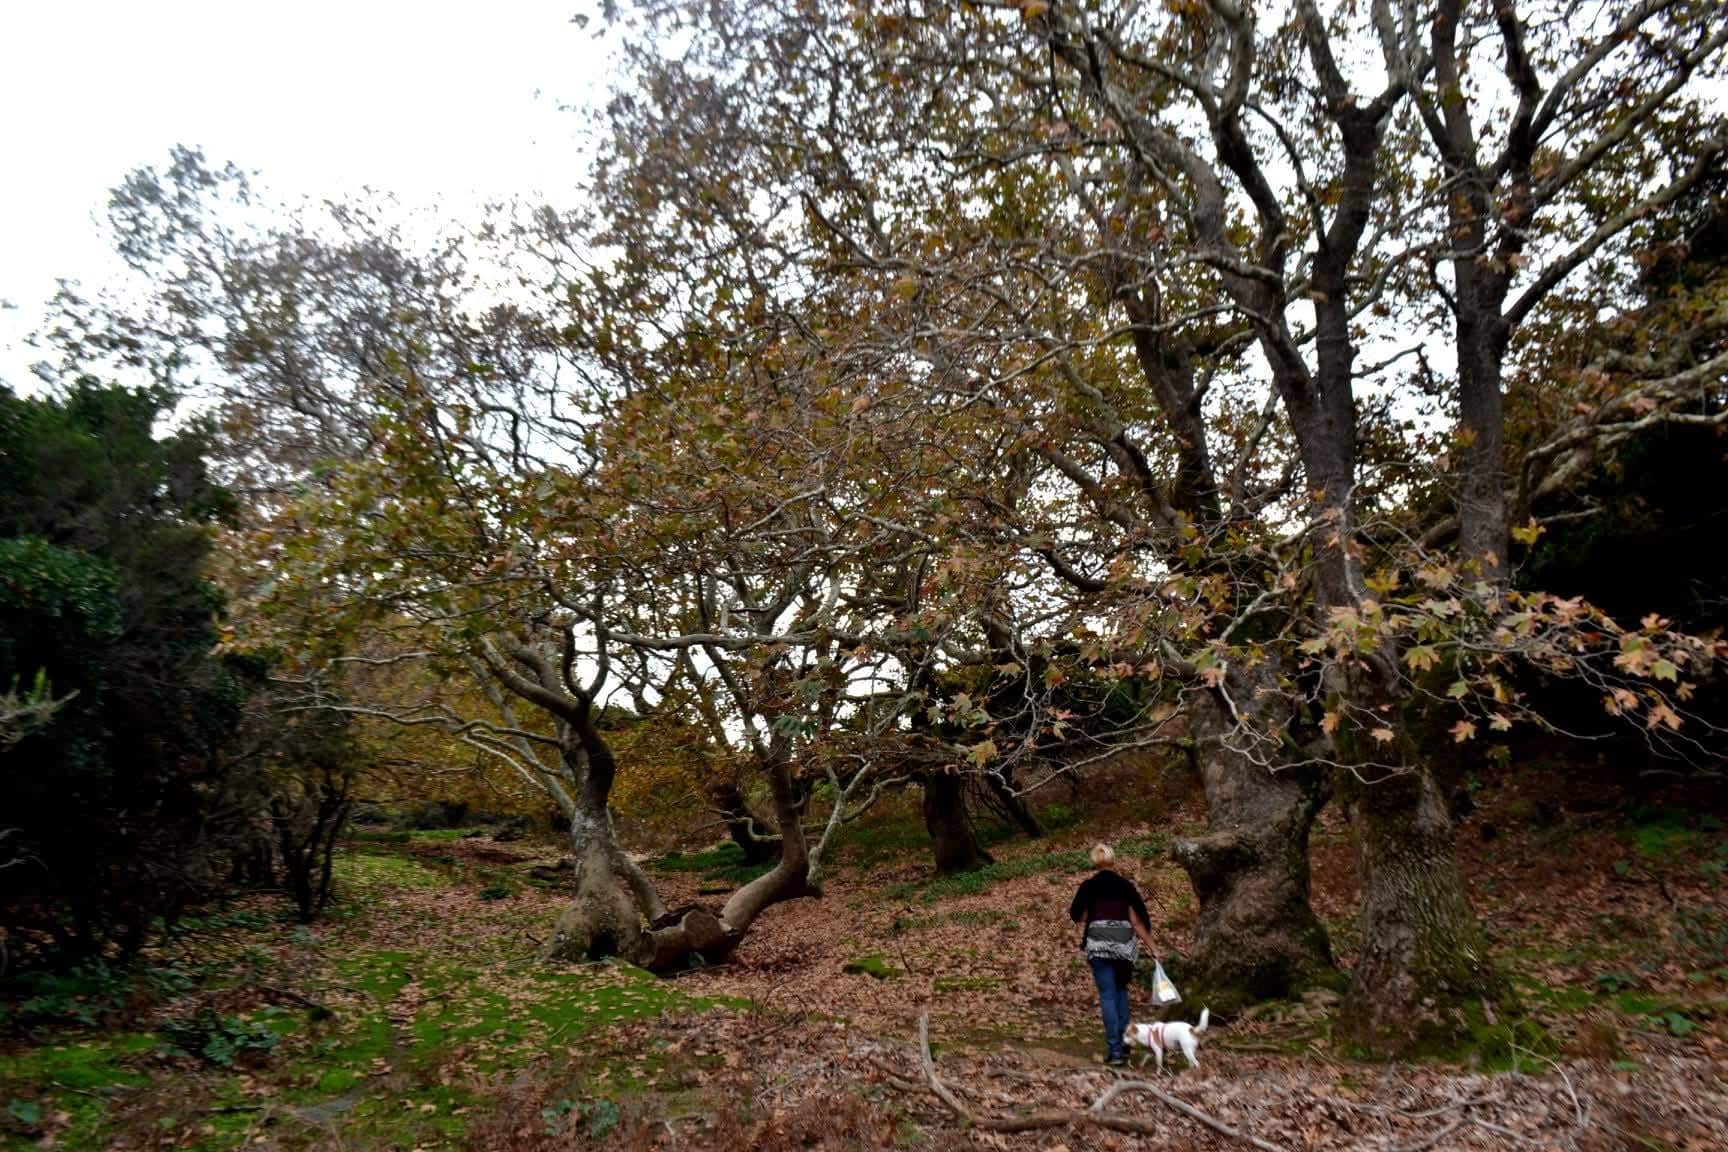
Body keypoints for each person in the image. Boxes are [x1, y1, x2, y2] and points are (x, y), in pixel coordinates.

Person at [1069, 842, 1160, 1065]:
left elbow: (1078, 915)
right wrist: (1153, 947)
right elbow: (1136, 921)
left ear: (1094, 861)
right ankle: (1126, 1044)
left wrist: (1093, 917)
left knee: (1107, 995)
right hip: (1123, 947)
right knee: (1121, 992)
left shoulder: (1088, 886)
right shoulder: (1125, 886)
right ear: (1113, 859)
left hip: (1098, 946)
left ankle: (1116, 1051)